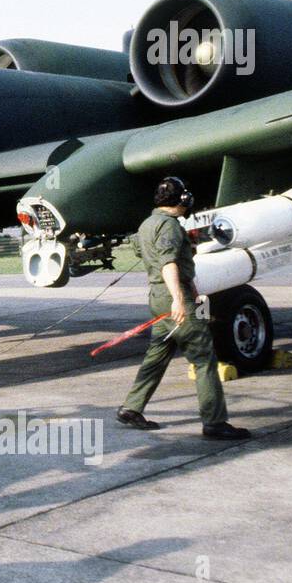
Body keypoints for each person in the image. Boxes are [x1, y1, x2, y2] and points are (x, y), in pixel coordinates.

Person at [118, 177, 251, 441]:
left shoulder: (147, 224)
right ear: (180, 200)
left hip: (156, 298)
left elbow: (142, 250)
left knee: (157, 355)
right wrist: (179, 299)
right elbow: (169, 264)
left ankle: (131, 407)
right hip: (173, 297)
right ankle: (215, 422)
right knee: (204, 359)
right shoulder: (169, 226)